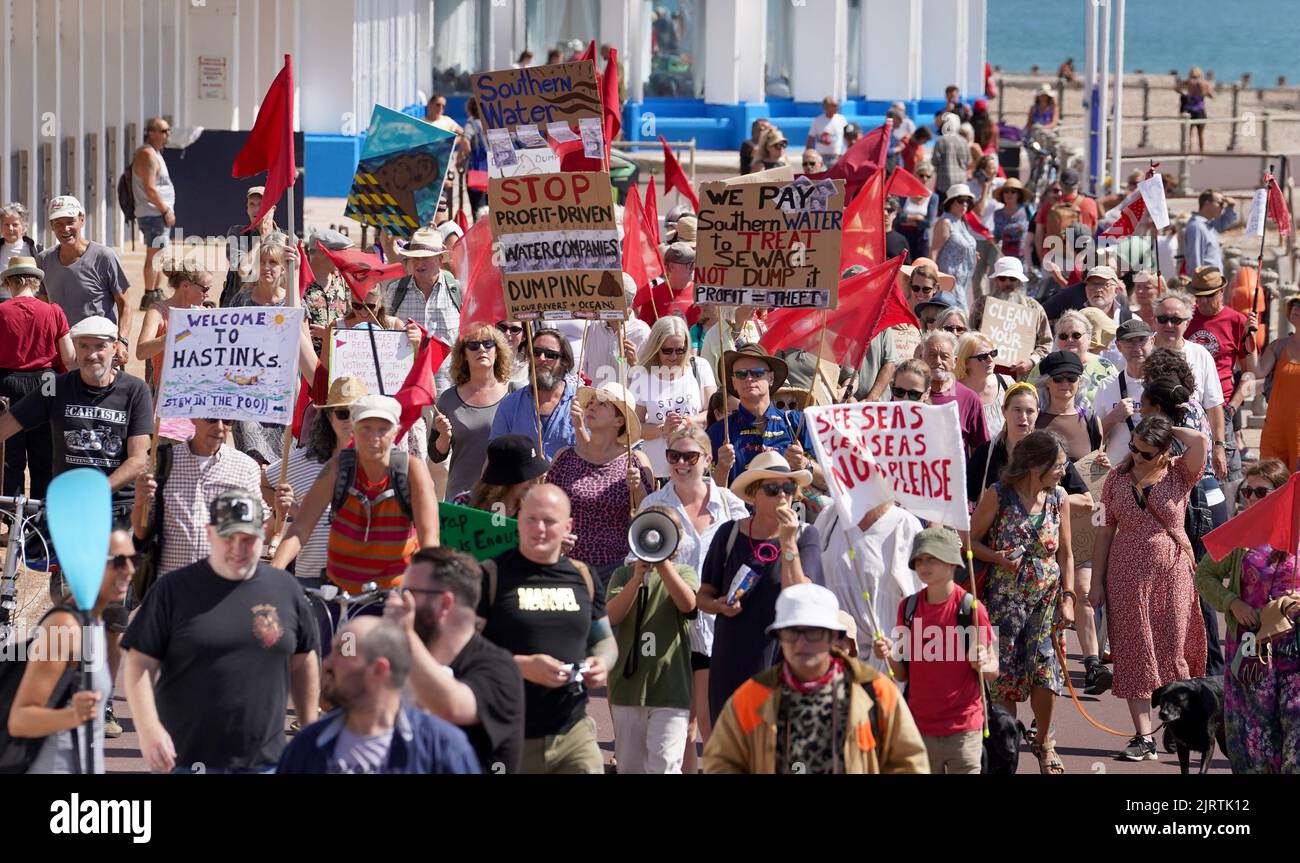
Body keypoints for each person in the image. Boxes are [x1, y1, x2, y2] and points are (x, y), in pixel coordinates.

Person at [121, 490, 321, 773]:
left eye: (247, 540)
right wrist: (148, 729)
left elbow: (303, 661)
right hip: (186, 761)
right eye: (228, 537)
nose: (238, 549)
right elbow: (139, 663)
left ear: (264, 533)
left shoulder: (286, 589)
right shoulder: (173, 590)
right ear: (210, 532)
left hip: (265, 763)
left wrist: (309, 730)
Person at [704, 582, 929, 774]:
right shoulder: (753, 697)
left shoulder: (875, 692)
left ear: (833, 636)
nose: (801, 643)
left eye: (812, 632)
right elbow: (722, 762)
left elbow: (909, 762)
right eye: (792, 632)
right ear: (779, 638)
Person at [476, 484, 617, 774]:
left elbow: (605, 640)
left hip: (573, 731)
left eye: (550, 521)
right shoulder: (490, 575)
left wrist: (602, 662)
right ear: (518, 519)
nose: (539, 529)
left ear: (568, 526)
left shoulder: (584, 576)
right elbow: (462, 650)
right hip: (508, 734)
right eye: (531, 519)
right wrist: (520, 666)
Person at [1092, 415, 1209, 761]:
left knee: (1173, 652)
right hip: (1125, 575)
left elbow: (1201, 441)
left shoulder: (1179, 473)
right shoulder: (1114, 478)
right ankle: (1143, 737)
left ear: (1163, 452)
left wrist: (1164, 428)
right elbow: (1103, 533)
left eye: (1145, 452)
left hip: (1173, 574)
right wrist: (1096, 582)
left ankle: (1177, 724)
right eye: (1133, 448)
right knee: (1133, 652)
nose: (1136, 455)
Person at [637, 425, 746, 772]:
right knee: (681, 726)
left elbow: (751, 558)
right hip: (671, 625)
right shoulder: (653, 503)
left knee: (714, 722)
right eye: (673, 456)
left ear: (708, 459)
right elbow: (637, 561)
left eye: (689, 456)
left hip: (719, 625)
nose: (681, 463)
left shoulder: (731, 505)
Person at [971, 430, 1075, 774]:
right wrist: (999, 558)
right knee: (1005, 681)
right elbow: (969, 543)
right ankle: (1007, 746)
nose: (1063, 471)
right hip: (1003, 604)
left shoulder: (1059, 497)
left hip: (1045, 604)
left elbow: (1067, 553)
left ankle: (1045, 742)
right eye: (1058, 465)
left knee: (1046, 675)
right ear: (1035, 465)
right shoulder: (998, 495)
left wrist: (1069, 599)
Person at [696, 451, 821, 722]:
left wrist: (788, 544)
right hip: (731, 661)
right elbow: (703, 595)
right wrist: (716, 605)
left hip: (782, 662)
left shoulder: (805, 536)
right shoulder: (728, 534)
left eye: (788, 488)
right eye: (773, 489)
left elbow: (800, 597)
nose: (782, 496)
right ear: (753, 495)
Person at [272, 394, 439, 593]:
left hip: (394, 595)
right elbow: (301, 528)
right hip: (338, 592)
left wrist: (425, 590)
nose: (374, 438)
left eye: (383, 429)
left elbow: (429, 538)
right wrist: (273, 574)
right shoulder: (338, 467)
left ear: (395, 432)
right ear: (354, 429)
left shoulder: (411, 470)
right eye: (366, 428)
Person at [1195, 458, 1300, 774]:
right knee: (1254, 735)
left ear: (1282, 494)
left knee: (1295, 730)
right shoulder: (1240, 534)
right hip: (1250, 649)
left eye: (1261, 491)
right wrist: (1231, 602)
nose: (1252, 498)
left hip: (1294, 651)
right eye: (1246, 491)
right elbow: (1204, 576)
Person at [277, 616, 480, 774]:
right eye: (331, 651)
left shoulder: (441, 748)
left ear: (379, 669)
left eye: (343, 653)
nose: (328, 663)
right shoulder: (306, 745)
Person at [382, 548, 524, 773]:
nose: (398, 602)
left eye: (408, 593)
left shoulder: (498, 668)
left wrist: (405, 634)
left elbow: (450, 707)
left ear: (445, 604)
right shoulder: (408, 658)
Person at [8, 527, 134, 773]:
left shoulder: (94, 623)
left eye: (133, 560)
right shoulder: (65, 626)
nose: (128, 570)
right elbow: (20, 720)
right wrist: (73, 716)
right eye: (117, 561)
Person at [872, 528, 997, 774]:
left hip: (964, 728)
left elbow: (993, 671)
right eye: (919, 559)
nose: (923, 565)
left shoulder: (971, 608)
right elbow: (901, 674)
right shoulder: (907, 608)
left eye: (931, 558)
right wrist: (887, 653)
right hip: (919, 728)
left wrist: (983, 661)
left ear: (952, 562)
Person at [0, 315, 151, 515]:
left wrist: (98, 492)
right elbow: (6, 425)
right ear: (74, 348)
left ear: (114, 348)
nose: (91, 354)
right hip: (66, 502)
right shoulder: (55, 387)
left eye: (99, 346)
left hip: (116, 506)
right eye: (84, 346)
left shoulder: (135, 390)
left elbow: (138, 459)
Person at [605, 506, 699, 773]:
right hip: (628, 689)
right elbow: (612, 616)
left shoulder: (683, 573)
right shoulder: (623, 574)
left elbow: (688, 606)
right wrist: (636, 579)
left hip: (670, 688)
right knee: (630, 766)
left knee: (665, 765)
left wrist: (663, 565)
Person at [131, 415, 263, 579]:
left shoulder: (246, 467)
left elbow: (259, 528)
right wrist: (139, 503)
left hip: (222, 587)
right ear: (193, 417)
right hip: (170, 585)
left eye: (227, 421)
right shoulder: (161, 461)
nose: (220, 427)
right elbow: (142, 532)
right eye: (211, 418)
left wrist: (281, 511)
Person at [549, 382, 654, 587]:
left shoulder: (635, 460)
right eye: (591, 402)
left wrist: (638, 488)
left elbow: (649, 516)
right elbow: (548, 509)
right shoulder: (565, 457)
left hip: (616, 570)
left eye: (602, 404)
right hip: (568, 567)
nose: (591, 407)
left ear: (619, 421)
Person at [266, 377, 365, 592]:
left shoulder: (383, 463)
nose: (350, 420)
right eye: (342, 413)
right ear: (329, 417)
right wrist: (292, 509)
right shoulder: (302, 461)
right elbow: (265, 482)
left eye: (357, 413)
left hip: (363, 582)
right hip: (311, 579)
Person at [815, 487, 924, 670]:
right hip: (830, 655)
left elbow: (921, 604)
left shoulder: (905, 526)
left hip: (881, 662)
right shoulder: (831, 516)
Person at [0, 256, 73, 499]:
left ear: (10, 282)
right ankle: (40, 522)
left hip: (7, 383)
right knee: (44, 455)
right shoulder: (53, 311)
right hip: (47, 383)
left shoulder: (1, 311)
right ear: (35, 282)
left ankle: (12, 522)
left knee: (10, 458)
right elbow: (70, 357)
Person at [706, 344, 822, 488]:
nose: (749, 378)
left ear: (771, 378)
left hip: (789, 509)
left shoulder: (796, 423)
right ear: (734, 382)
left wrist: (804, 463)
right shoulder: (718, 431)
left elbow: (830, 481)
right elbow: (706, 496)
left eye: (757, 372)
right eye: (741, 374)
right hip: (740, 510)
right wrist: (722, 469)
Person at [35, 196, 131, 357]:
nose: (65, 229)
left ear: (82, 219)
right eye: (58, 223)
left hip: (100, 349)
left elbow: (125, 304)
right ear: (51, 226)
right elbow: (44, 308)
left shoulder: (104, 257)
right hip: (63, 352)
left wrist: (122, 342)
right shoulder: (44, 260)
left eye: (70, 221)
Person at [1187, 265, 1256, 481]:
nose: (1204, 302)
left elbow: (1250, 374)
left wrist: (1233, 408)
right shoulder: (1184, 318)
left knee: (1228, 475)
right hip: (1188, 407)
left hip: (1221, 408)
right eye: (1199, 297)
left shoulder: (1237, 321)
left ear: (1221, 292)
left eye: (1209, 296)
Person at [430, 324, 511, 501]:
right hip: (461, 497)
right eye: (473, 345)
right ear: (464, 355)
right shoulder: (448, 398)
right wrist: (444, 435)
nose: (481, 349)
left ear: (497, 351)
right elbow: (436, 455)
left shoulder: (515, 394)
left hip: (502, 497)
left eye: (488, 344)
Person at [1152, 292, 1228, 482]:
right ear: (1154, 321)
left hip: (1192, 451)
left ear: (1187, 322)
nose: (1169, 325)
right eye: (1163, 319)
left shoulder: (1200, 354)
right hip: (1150, 451)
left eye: (1176, 320)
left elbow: (1213, 405)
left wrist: (1219, 446)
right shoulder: (1142, 352)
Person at [633, 315, 717, 480]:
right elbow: (635, 428)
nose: (673, 356)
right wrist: (664, 429)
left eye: (680, 350)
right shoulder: (643, 375)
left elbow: (713, 412)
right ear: (656, 347)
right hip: (656, 471)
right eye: (667, 350)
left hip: (694, 466)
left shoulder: (700, 367)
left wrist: (687, 422)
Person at [384, 226, 460, 397]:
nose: (419, 263)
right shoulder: (395, 290)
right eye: (415, 258)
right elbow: (383, 334)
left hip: (447, 391)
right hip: (405, 389)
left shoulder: (458, 291)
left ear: (441, 259)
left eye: (425, 257)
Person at [490, 328, 578, 460]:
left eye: (550, 355)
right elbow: (495, 455)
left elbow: (596, 454)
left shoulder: (582, 403)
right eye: (536, 353)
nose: (542, 359)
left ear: (565, 361)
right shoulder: (510, 405)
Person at [135, 256, 217, 396]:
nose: (207, 294)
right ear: (185, 286)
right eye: (204, 289)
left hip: (199, 392)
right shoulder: (158, 312)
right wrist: (175, 334)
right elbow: (141, 352)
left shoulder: (205, 312)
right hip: (167, 393)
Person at [970, 256, 1052, 377]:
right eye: (1002, 278)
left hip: (1021, 377)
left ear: (1019, 281)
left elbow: (1046, 342)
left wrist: (1031, 361)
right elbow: (969, 334)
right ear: (996, 280)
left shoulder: (1034, 308)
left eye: (1012, 279)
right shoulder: (982, 304)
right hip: (985, 374)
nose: (1007, 283)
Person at [1097, 318, 1155, 465]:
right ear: (1118, 345)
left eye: (1142, 340)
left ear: (1152, 341)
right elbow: (1093, 438)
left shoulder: (1163, 383)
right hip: (1118, 472)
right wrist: (1113, 417)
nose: (1137, 348)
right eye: (1129, 342)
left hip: (1156, 472)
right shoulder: (1106, 385)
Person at [921, 330, 989, 457]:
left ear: (955, 361)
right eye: (932, 355)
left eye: (944, 356)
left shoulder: (970, 399)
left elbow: (981, 451)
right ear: (921, 357)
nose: (938, 361)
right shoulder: (906, 393)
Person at [132, 117, 178, 297]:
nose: (168, 135)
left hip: (157, 213)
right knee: (154, 253)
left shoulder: (156, 153)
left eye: (168, 131)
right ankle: (149, 293)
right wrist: (165, 210)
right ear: (151, 133)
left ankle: (156, 291)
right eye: (164, 131)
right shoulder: (147, 155)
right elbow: (150, 188)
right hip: (153, 213)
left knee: (160, 253)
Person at [452, 433, 549, 515]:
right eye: (528, 475)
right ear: (506, 479)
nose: (535, 480)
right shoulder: (463, 504)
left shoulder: (534, 514)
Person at [1256, 296, 1300, 471]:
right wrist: (1250, 339)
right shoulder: (1278, 346)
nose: (1296, 307)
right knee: (1271, 485)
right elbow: (1257, 372)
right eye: (1295, 304)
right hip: (1274, 430)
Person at [220, 185, 281, 307]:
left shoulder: (286, 237)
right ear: (247, 209)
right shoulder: (237, 233)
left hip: (274, 308)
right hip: (238, 308)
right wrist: (262, 239)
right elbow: (243, 270)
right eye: (252, 204)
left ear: (273, 209)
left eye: (262, 204)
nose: (256, 209)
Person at [302, 229, 355, 354]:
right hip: (306, 363)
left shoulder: (343, 283)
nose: (343, 258)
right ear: (323, 253)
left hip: (338, 357)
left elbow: (353, 319)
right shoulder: (299, 284)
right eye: (339, 253)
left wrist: (329, 334)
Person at [929, 184, 982, 307]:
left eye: (967, 201)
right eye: (961, 200)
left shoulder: (961, 222)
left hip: (962, 283)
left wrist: (972, 255)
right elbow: (933, 252)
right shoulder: (945, 222)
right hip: (947, 284)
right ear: (951, 203)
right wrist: (932, 279)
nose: (965, 204)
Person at [955, 332, 1011, 439]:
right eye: (982, 356)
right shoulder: (955, 392)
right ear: (966, 362)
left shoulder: (1007, 383)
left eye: (993, 353)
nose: (990, 359)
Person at [1182, 189, 1237, 272]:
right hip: (1205, 282)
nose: (1222, 207)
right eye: (1220, 203)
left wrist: (1230, 207)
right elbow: (1195, 262)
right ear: (1207, 203)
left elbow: (1224, 223)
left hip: (1213, 281)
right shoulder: (1197, 227)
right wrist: (1198, 282)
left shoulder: (1208, 224)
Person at [897, 164, 940, 262]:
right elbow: (898, 217)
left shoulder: (933, 197)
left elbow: (928, 222)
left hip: (920, 238)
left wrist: (907, 218)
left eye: (928, 176)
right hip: (903, 235)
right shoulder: (905, 194)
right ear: (915, 175)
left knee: (918, 266)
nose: (924, 179)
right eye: (921, 175)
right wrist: (917, 217)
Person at [992, 179, 1032, 263]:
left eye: (1013, 192)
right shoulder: (997, 214)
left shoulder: (1027, 210)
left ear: (1019, 195)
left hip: (1024, 259)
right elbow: (997, 236)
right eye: (1006, 191)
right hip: (1006, 259)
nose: (1009, 194)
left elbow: (1034, 231)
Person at [1175, 68, 1215, 152]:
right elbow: (1212, 96)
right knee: (1200, 134)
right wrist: (1205, 94)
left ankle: (1189, 152)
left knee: (1189, 134)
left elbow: (1176, 88)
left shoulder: (1189, 82)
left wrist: (1184, 94)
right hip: (1200, 110)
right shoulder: (1204, 83)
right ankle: (1201, 152)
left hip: (1189, 109)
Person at [931, 113, 969, 195]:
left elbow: (935, 161)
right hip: (960, 182)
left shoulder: (940, 141)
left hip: (943, 182)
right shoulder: (964, 141)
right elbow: (967, 161)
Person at [0, 202, 41, 274]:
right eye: (6, 224)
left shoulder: (37, 251)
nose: (10, 228)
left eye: (15, 225)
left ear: (24, 227)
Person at [806, 97, 847, 167]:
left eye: (837, 105)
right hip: (821, 157)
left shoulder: (841, 119)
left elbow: (846, 136)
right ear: (826, 107)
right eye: (834, 105)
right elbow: (811, 138)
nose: (837, 107)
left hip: (836, 156)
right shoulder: (818, 121)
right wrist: (807, 154)